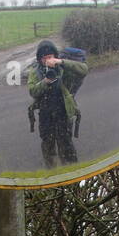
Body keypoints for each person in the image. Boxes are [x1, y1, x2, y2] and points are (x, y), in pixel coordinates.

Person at [27, 38, 88, 169]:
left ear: (55, 56)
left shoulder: (62, 67)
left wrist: (61, 62)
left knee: (65, 143)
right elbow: (32, 91)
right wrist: (45, 82)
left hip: (63, 112)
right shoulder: (35, 71)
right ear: (39, 59)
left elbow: (84, 69)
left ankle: (72, 170)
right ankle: (52, 172)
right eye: (44, 58)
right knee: (47, 144)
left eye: (50, 57)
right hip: (45, 114)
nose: (47, 60)